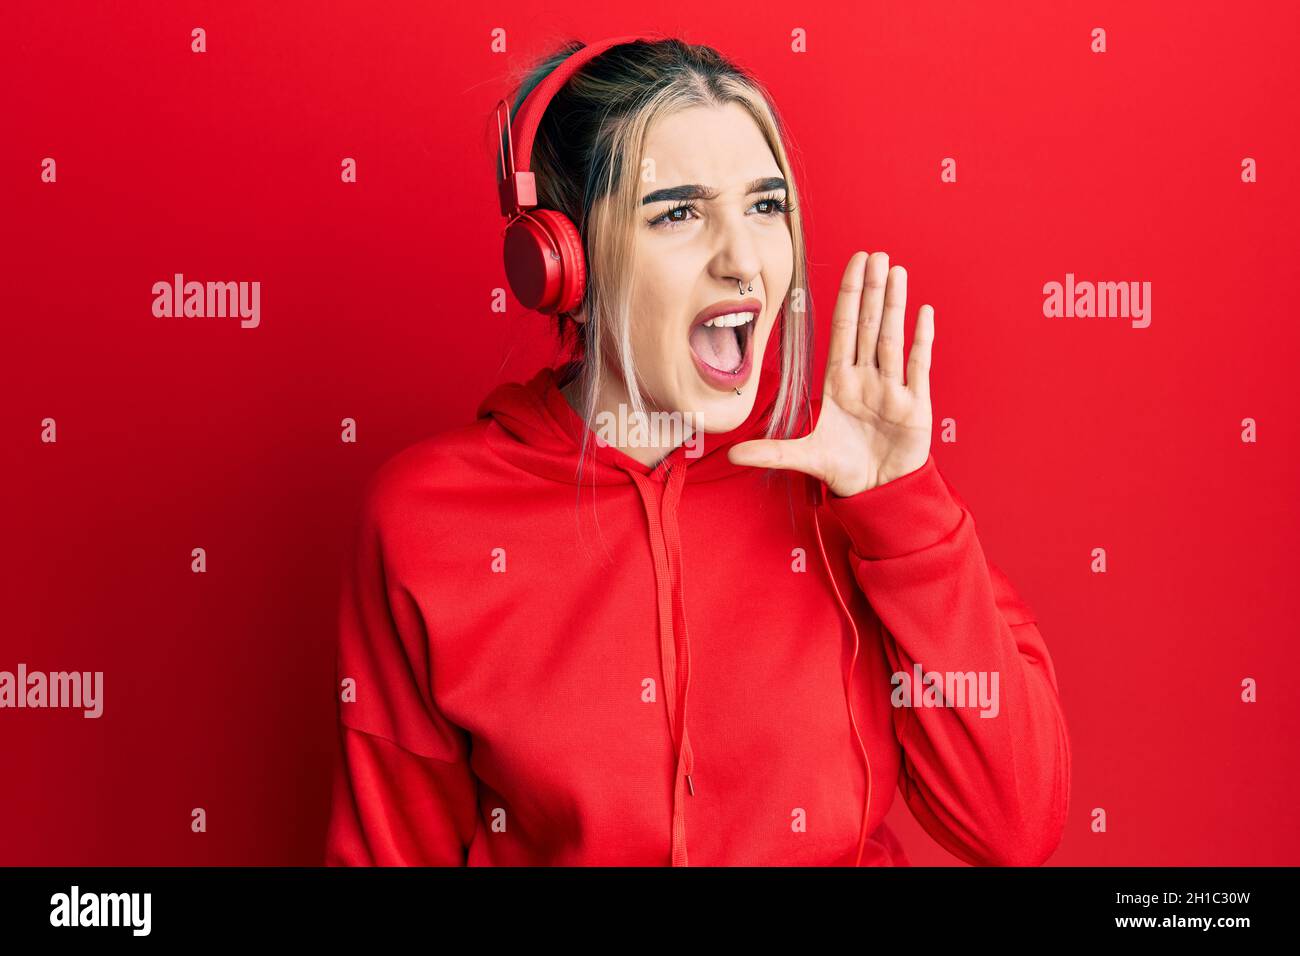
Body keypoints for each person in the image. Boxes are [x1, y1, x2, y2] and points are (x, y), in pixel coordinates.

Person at [324, 35, 1071, 867]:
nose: (744, 261)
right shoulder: (430, 519)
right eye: (678, 211)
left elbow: (1016, 825)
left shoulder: (845, 477)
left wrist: (900, 504)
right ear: (561, 261)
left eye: (765, 205)